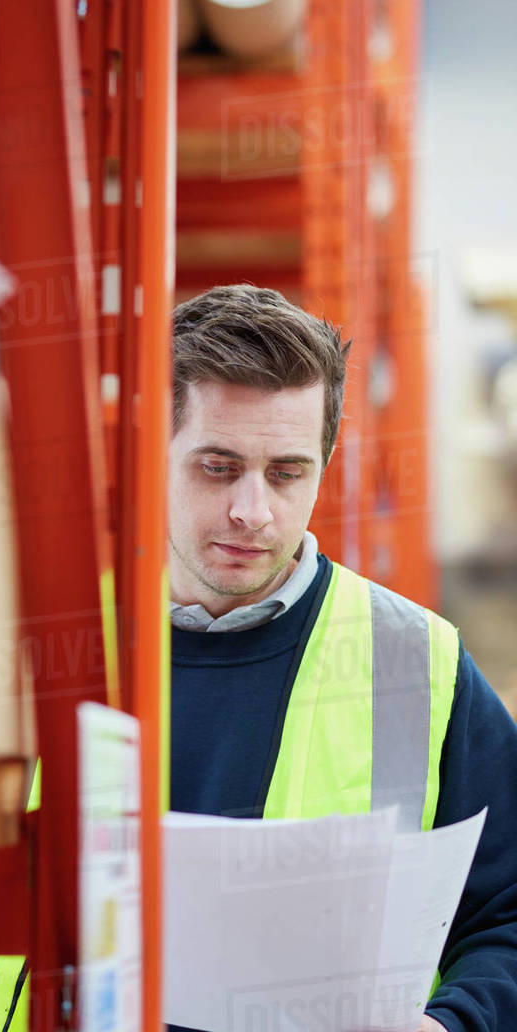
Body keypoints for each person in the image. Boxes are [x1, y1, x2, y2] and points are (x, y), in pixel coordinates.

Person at [168, 283, 517, 1032]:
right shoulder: (52, 644)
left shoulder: (416, 664)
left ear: (323, 465)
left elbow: (511, 912)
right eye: (218, 467)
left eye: (287, 473)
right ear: (150, 454)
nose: (253, 512)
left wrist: (454, 1025)